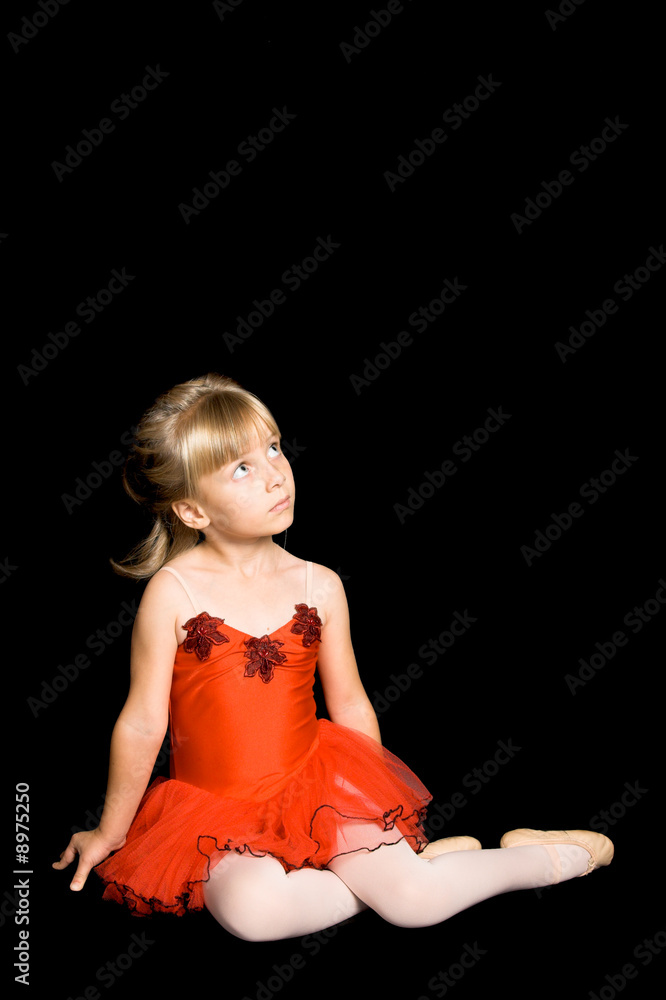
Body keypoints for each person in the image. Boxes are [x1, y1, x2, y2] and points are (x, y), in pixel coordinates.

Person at [53, 373, 613, 940]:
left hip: (316, 785)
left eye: (273, 449)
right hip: (216, 812)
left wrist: (380, 818)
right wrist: (110, 830)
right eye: (242, 469)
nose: (275, 475)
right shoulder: (174, 591)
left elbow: (349, 704)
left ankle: (560, 856)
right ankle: (424, 874)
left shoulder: (318, 585)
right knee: (254, 916)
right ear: (193, 511)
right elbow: (145, 721)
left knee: (415, 903)